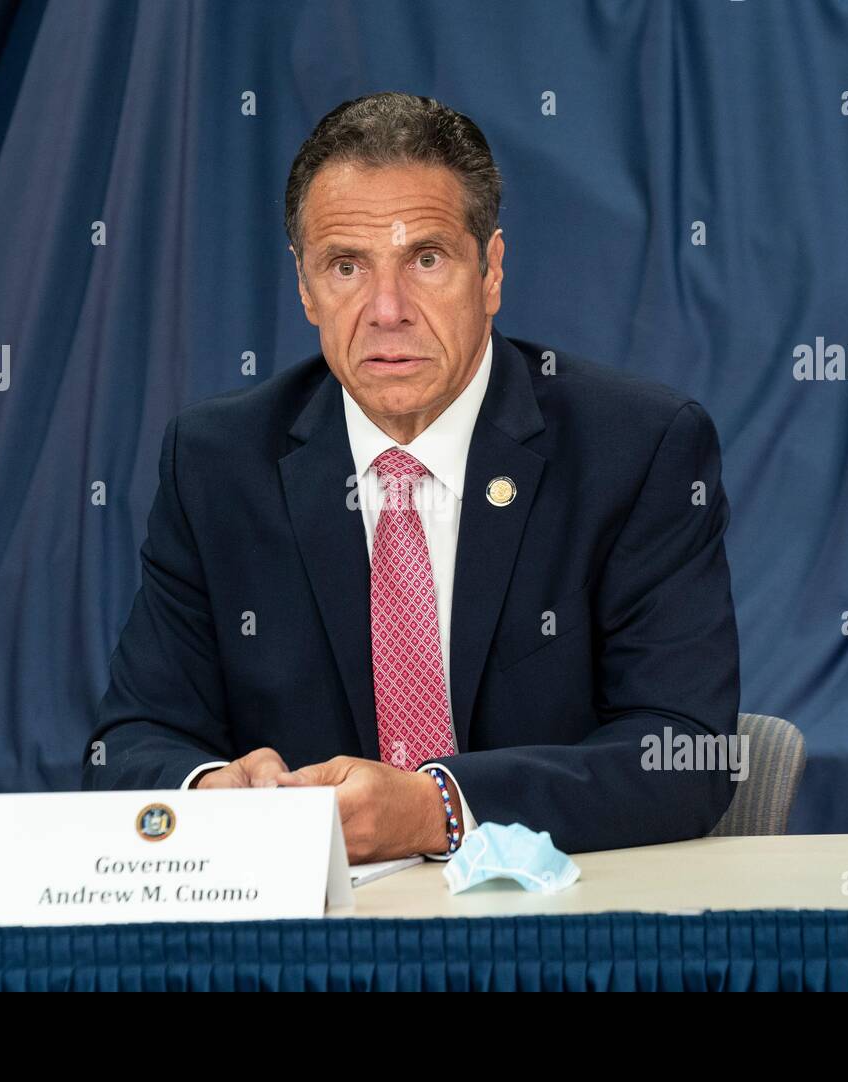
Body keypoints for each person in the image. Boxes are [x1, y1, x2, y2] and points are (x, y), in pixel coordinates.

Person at [84, 92, 740, 864]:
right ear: (303, 286)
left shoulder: (636, 449)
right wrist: (205, 793)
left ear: (490, 271)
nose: (386, 309)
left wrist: (440, 810)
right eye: (346, 266)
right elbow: (133, 738)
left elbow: (685, 750)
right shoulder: (216, 463)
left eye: (425, 260)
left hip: (551, 926)